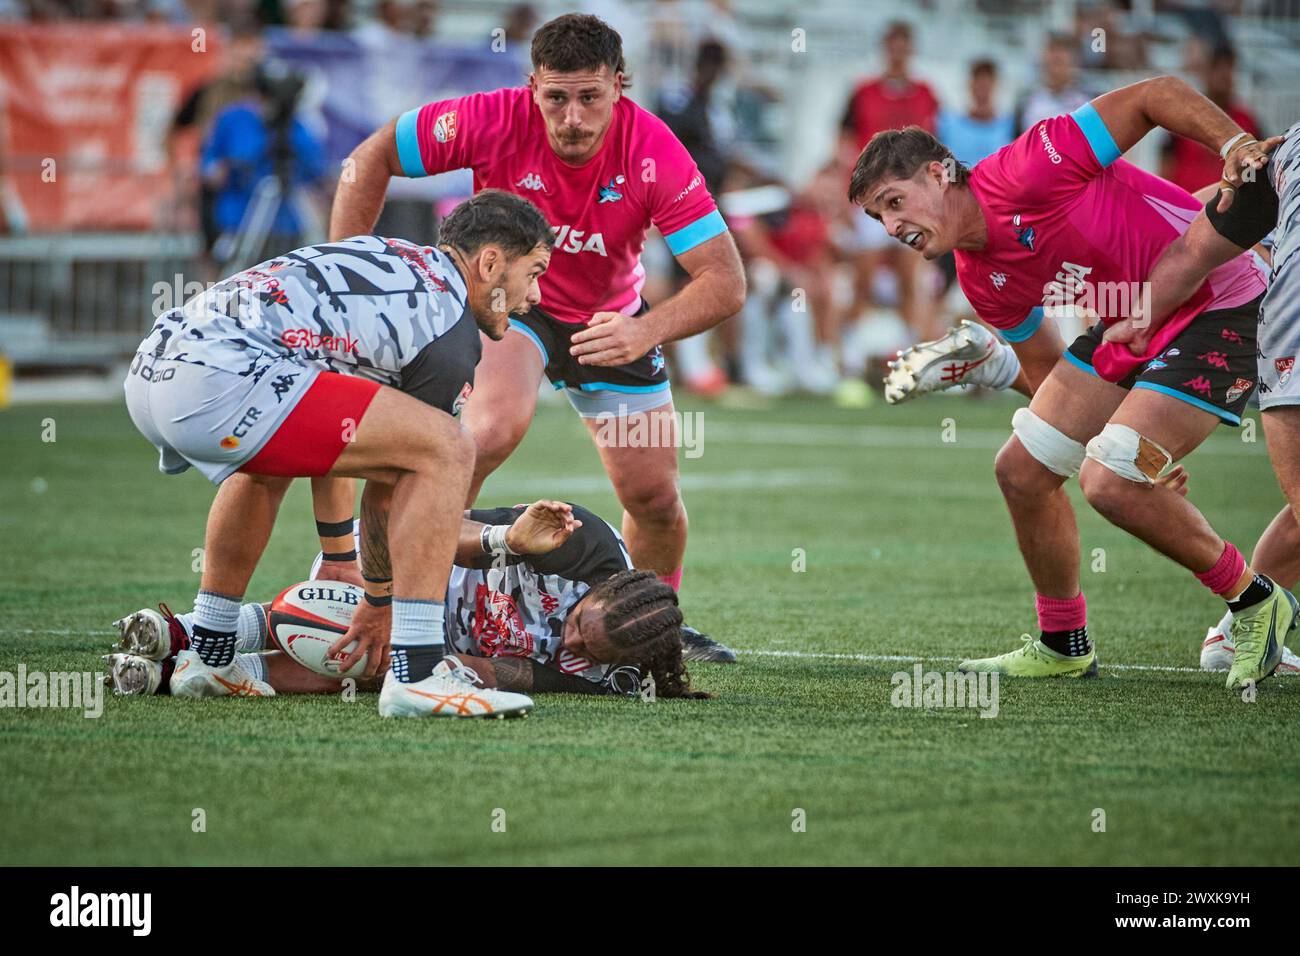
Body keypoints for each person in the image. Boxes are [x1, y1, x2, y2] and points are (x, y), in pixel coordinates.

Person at [847, 76, 1293, 690]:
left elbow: (1153, 95)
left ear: (939, 174)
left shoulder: (1027, 167)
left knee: (1110, 479)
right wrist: (1087, 418)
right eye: (878, 217)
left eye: (894, 202)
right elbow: (1046, 375)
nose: (890, 225)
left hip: (1221, 299)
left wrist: (1234, 143)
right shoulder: (980, 277)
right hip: (1125, 325)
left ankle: (1255, 600)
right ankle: (1064, 642)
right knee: (1023, 469)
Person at [327, 13, 746, 662]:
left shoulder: (655, 149)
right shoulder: (488, 118)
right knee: (485, 433)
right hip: (509, 309)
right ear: (532, 88)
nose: (572, 117)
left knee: (655, 500)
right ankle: (409, 600)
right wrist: (347, 269)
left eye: (590, 98)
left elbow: (725, 279)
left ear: (620, 87)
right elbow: (369, 159)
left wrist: (645, 329)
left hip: (610, 323)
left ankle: (652, 620)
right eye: (556, 98)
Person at [123, 189, 554, 717]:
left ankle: (210, 655)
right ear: (490, 263)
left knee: (265, 458)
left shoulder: (399, 260)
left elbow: (342, 421)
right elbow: (391, 487)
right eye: (533, 272)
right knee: (448, 449)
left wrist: (338, 556)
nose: (536, 295)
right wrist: (378, 601)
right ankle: (418, 675)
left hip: (155, 367)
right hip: (216, 378)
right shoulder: (446, 328)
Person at [105, 500, 709, 700]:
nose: (571, 644)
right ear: (600, 590)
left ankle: (180, 675)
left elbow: (507, 672)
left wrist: (431, 663)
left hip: (443, 640)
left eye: (585, 649)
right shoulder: (586, 545)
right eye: (580, 625)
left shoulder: (604, 671)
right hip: (409, 571)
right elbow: (433, 523)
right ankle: (184, 631)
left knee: (363, 663)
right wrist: (392, 598)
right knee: (344, 614)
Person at [1107, 121, 1300, 679]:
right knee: (1108, 469)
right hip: (1269, 315)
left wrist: (1149, 450)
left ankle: (1239, 626)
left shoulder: (1279, 151)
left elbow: (1196, 224)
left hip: (1248, 308)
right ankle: (1244, 620)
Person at [839, 20, 939, 340]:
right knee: (864, 278)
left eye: (903, 46)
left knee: (909, 277)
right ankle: (848, 351)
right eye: (892, 46)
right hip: (872, 197)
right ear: (885, 49)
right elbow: (843, 141)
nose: (897, 54)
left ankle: (912, 351)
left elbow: (936, 146)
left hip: (912, 200)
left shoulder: (926, 94)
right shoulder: (863, 92)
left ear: (910, 50)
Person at [1161, 45, 1262, 197]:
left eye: (1228, 68)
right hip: (1187, 206)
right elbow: (1166, 165)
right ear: (1205, 72)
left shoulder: (1246, 121)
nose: (1223, 74)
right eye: (1217, 67)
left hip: (1228, 209)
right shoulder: (1183, 116)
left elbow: (1255, 169)